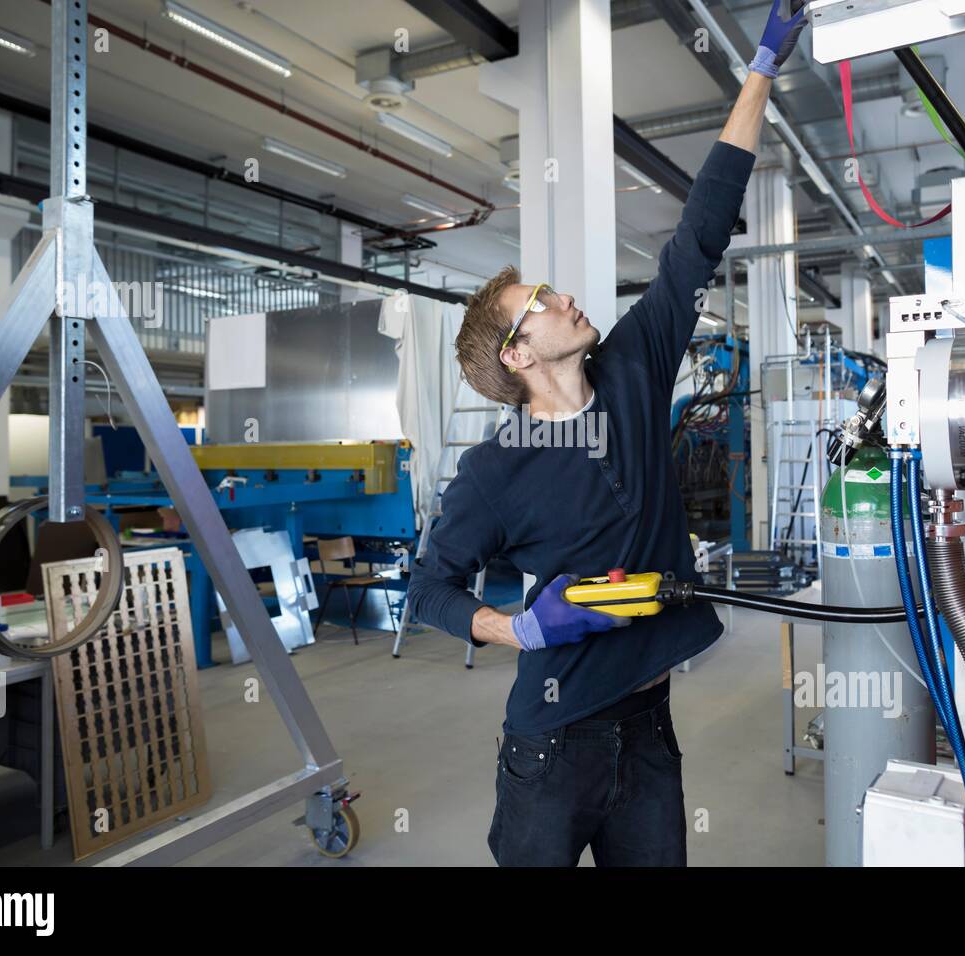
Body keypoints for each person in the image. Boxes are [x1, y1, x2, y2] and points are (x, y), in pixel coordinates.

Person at [407, 0, 807, 866]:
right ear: (515, 355)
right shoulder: (494, 469)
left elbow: (699, 231)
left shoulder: (634, 367)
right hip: (553, 744)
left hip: (651, 729)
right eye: (539, 305)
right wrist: (517, 628)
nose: (563, 300)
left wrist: (763, 68)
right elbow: (428, 588)